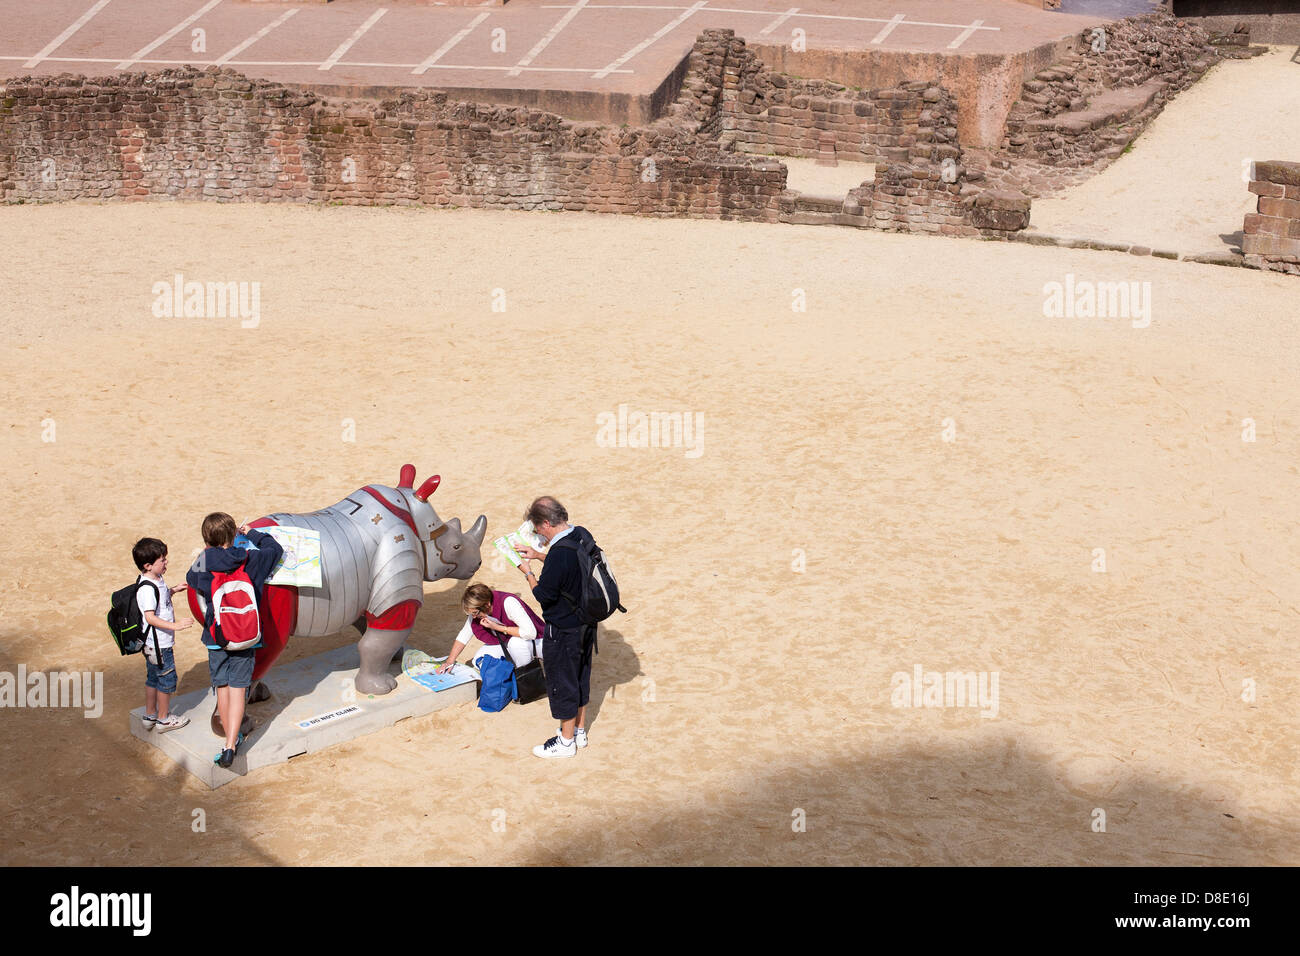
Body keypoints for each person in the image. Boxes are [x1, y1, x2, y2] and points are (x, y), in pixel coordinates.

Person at [186, 512, 283, 769]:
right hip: (245, 636)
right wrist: (250, 532)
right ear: (232, 535)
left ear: (207, 538)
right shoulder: (250, 559)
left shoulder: (203, 562)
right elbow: (275, 548)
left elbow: (190, 580)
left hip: (216, 636)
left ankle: (228, 734)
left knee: (223, 687)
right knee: (240, 688)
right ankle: (231, 744)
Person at [514, 496, 595, 759]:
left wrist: (528, 572)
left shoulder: (559, 555)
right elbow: (569, 565)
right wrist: (538, 555)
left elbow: (544, 595)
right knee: (580, 676)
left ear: (547, 523)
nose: (537, 533)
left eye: (537, 528)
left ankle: (566, 741)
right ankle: (580, 731)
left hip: (562, 628)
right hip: (586, 622)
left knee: (562, 681)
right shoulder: (580, 534)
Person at [131, 537, 193, 734]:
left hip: (153, 645)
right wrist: (175, 626)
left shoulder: (155, 580)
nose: (166, 562)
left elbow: (161, 599)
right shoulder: (147, 589)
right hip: (160, 645)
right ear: (148, 566)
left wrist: (174, 589)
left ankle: (150, 715)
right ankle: (164, 718)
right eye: (162, 560)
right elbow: (150, 617)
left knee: (153, 679)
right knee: (166, 681)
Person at [437, 583, 544, 674]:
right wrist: (450, 661)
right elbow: (464, 635)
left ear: (487, 604)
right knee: (479, 659)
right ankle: (505, 677)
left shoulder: (508, 602)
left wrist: (497, 628)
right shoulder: (478, 610)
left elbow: (530, 633)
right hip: (509, 641)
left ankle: (525, 677)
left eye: (475, 613)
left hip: (538, 642)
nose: (473, 617)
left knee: (516, 644)